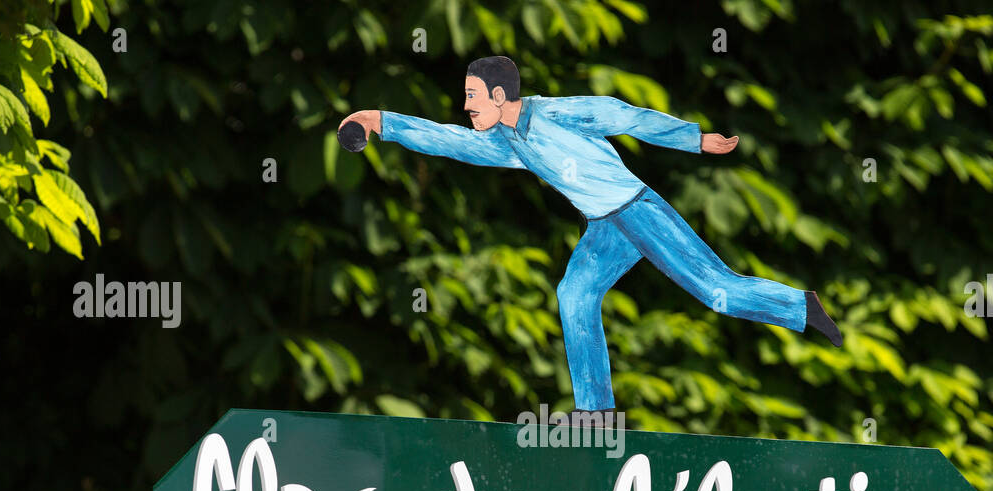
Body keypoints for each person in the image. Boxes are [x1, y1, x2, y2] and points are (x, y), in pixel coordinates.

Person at [340, 55, 842, 412]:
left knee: (717, 291)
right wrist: (380, 121)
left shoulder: (554, 113)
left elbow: (622, 114)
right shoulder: (509, 143)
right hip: (608, 228)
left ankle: (801, 307)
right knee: (575, 294)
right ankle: (597, 413)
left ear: (498, 95)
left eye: (472, 97)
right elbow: (448, 141)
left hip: (641, 213)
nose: (466, 106)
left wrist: (693, 138)